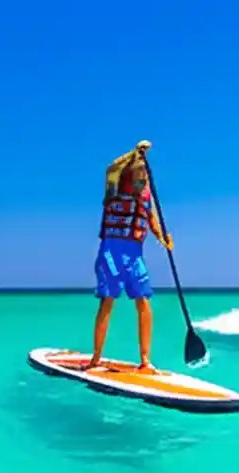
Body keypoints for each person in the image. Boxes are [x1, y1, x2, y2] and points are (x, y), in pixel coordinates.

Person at [86, 140, 174, 371]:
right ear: (129, 172)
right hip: (111, 251)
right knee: (108, 301)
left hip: (135, 253)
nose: (142, 177)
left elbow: (151, 218)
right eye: (139, 171)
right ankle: (96, 357)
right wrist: (136, 152)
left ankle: (145, 360)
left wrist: (163, 239)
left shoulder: (145, 195)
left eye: (145, 172)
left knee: (143, 301)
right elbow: (112, 167)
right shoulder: (114, 186)